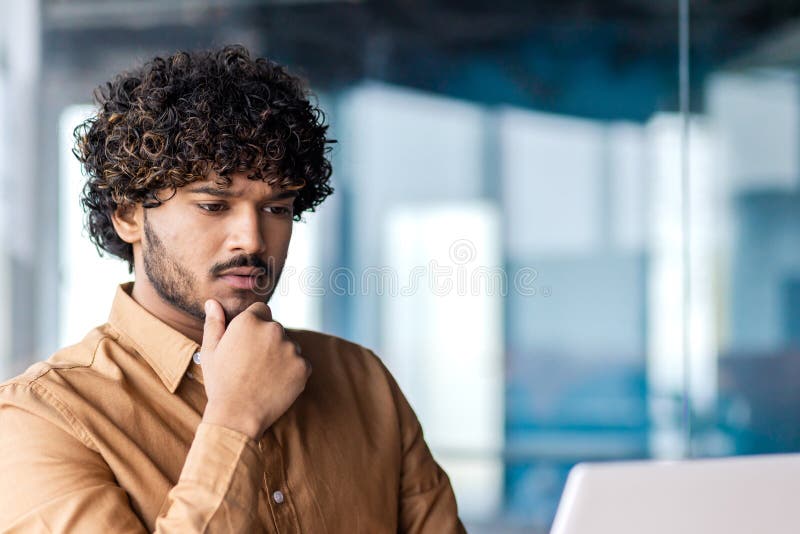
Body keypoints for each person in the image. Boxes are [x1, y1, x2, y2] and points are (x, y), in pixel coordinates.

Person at [0, 45, 465, 533]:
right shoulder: (40, 419)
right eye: (214, 205)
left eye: (277, 208)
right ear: (129, 215)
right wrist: (234, 420)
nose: (252, 239)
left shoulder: (362, 381)